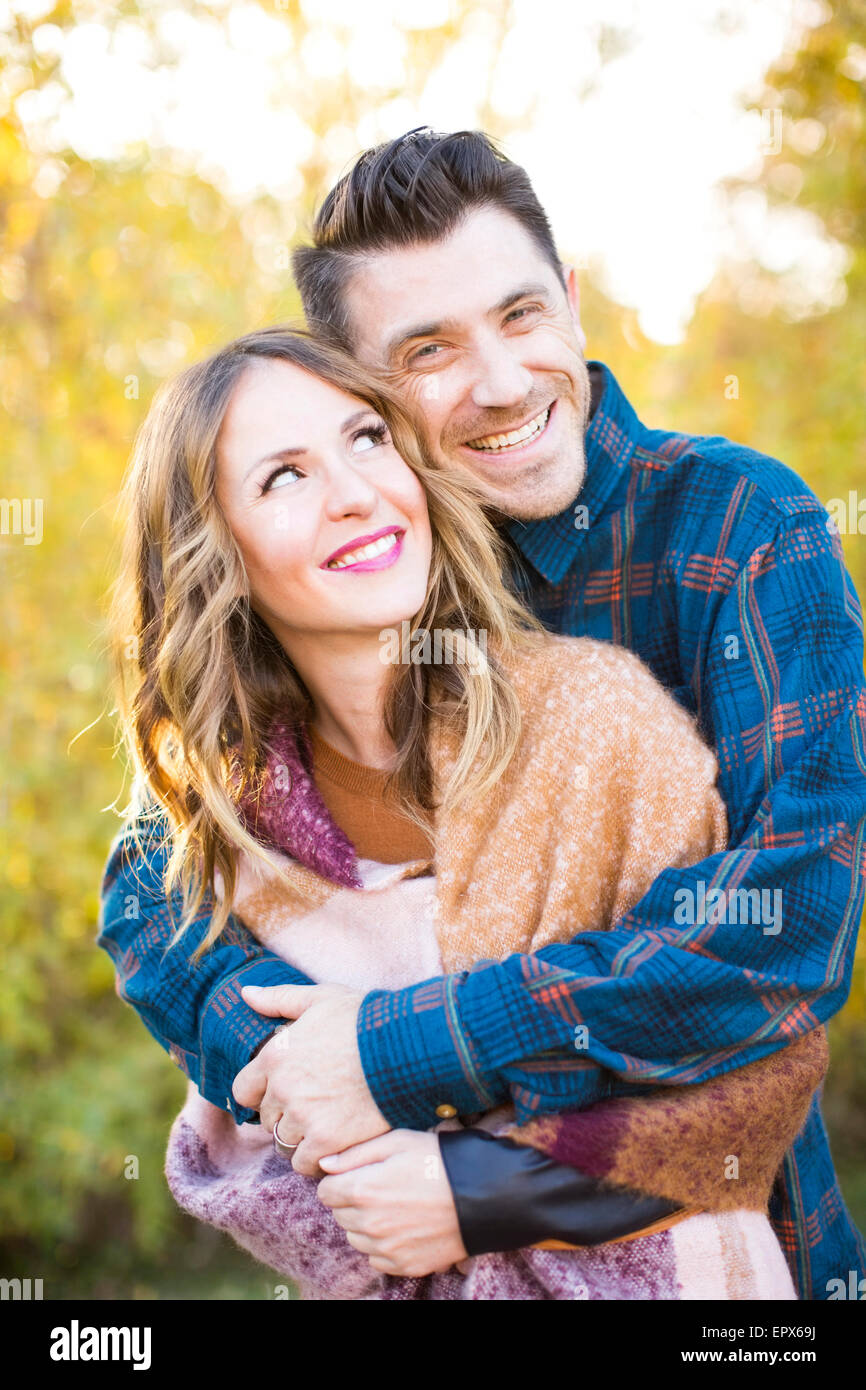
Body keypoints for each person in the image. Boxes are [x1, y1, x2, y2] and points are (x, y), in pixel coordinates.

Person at [98, 129, 866, 1300]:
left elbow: (787, 931)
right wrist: (290, 1072)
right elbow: (151, 882)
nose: (501, 383)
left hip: (740, 1256)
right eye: (427, 351)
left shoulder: (739, 528)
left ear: (568, 301)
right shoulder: (365, 574)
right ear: (362, 386)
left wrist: (400, 1060)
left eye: (518, 316)